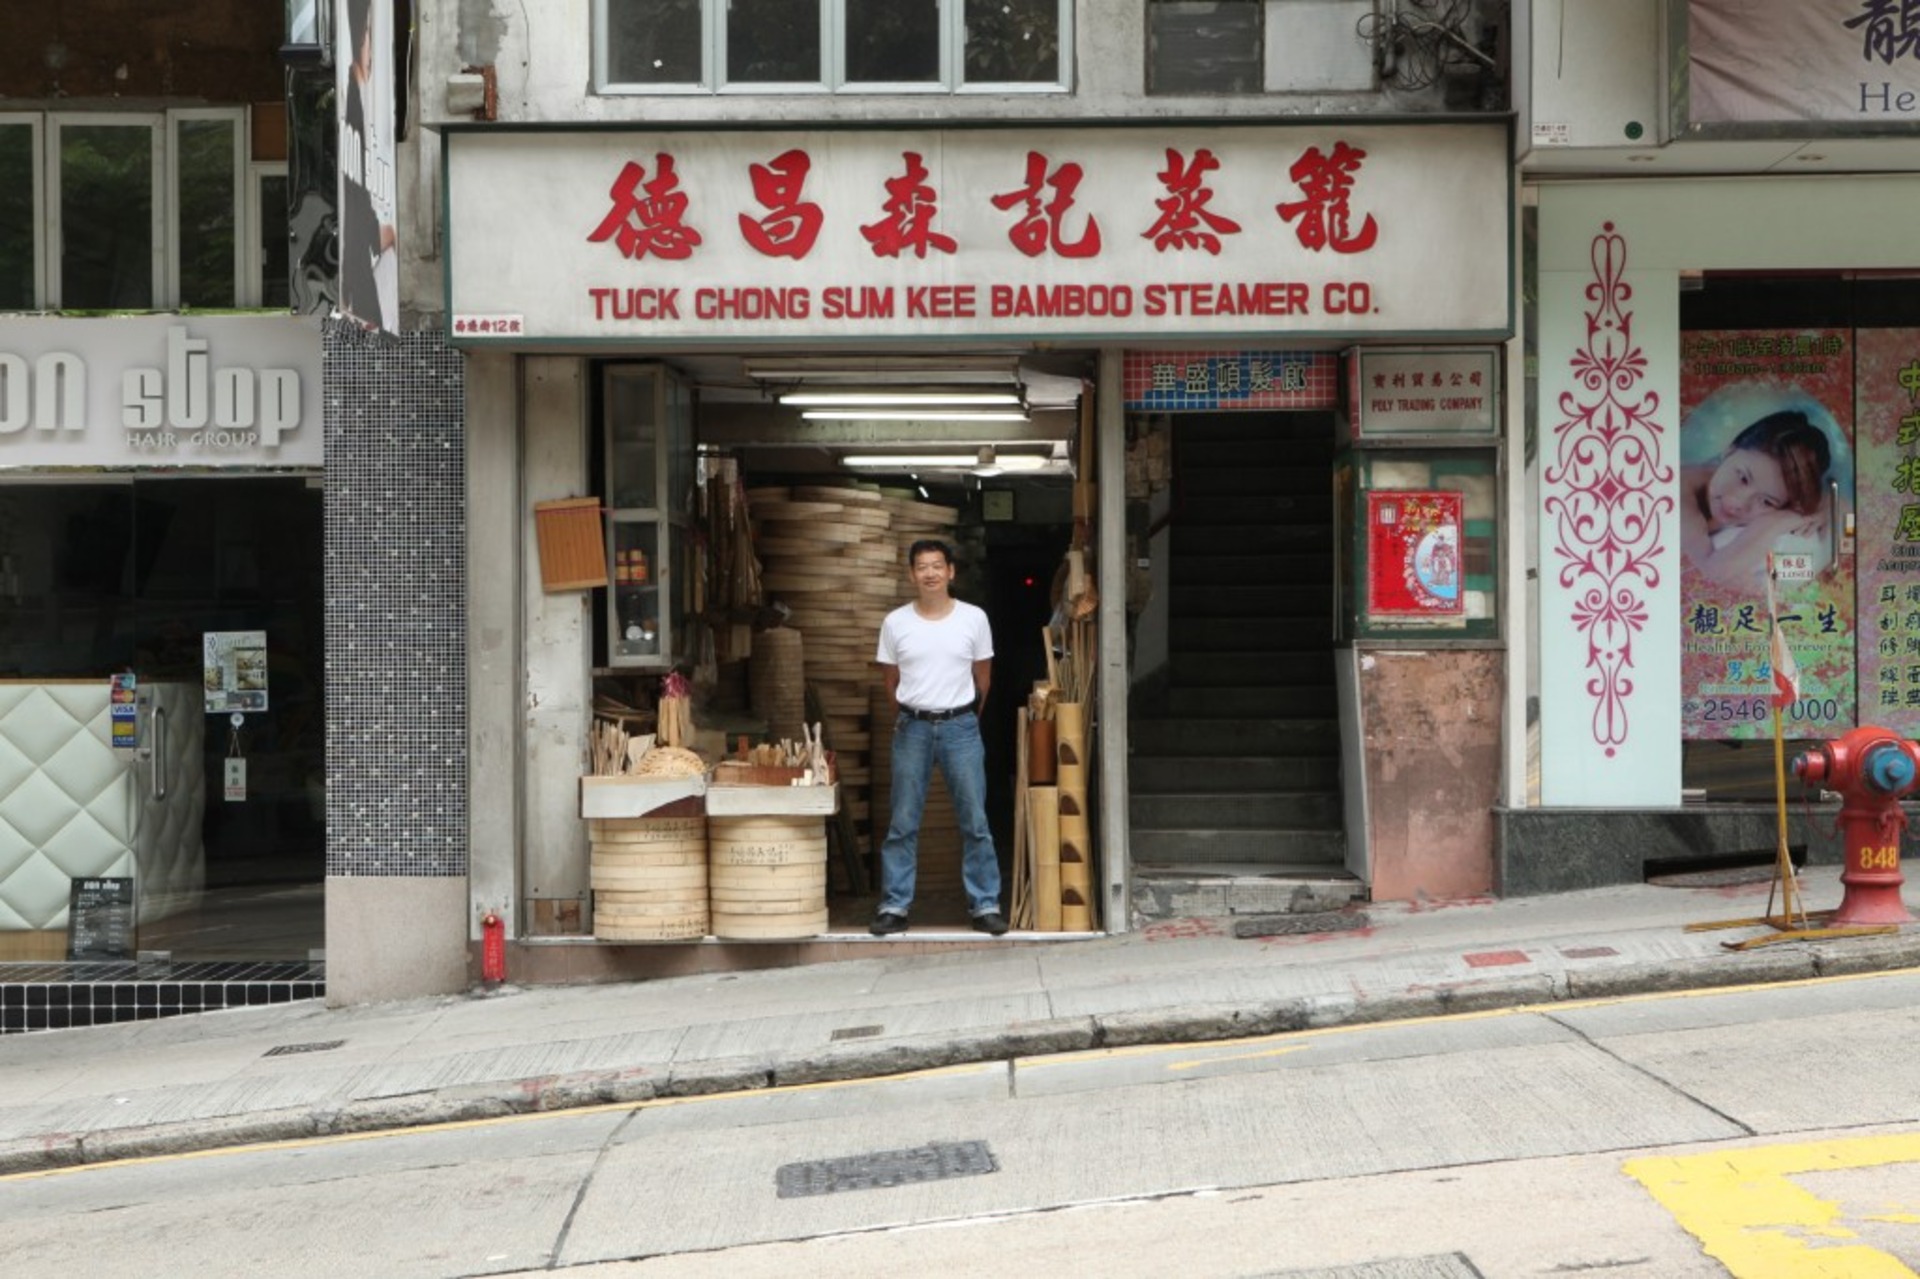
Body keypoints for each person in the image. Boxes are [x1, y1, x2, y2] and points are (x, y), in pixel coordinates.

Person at [870, 539, 1008, 936]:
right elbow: (890, 682)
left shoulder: (973, 618)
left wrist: (962, 717)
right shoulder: (896, 622)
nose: (929, 573)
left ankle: (984, 906)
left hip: (960, 727)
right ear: (912, 574)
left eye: (937, 565)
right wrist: (914, 715)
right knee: (903, 821)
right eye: (921, 566)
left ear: (951, 571)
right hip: (911, 726)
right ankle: (894, 906)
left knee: (975, 820)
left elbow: (983, 677)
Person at [1680, 409, 1833, 592]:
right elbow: (1708, 572)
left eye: (1766, 502)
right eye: (1743, 478)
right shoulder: (1679, 491)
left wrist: (1825, 510)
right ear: (1730, 451)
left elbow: (1841, 507)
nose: (1737, 503)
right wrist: (1777, 522)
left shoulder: (1787, 497)